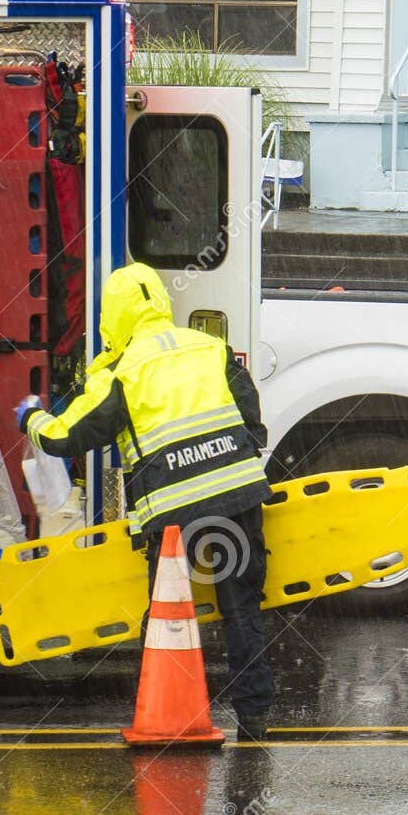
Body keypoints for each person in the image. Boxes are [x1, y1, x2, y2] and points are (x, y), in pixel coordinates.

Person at [16, 263, 275, 740]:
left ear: (112, 317)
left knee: (169, 612)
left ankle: (169, 710)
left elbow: (66, 437)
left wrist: (31, 418)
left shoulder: (122, 371)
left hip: (174, 515)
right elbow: (250, 416)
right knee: (242, 607)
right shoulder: (208, 346)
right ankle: (254, 716)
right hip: (238, 494)